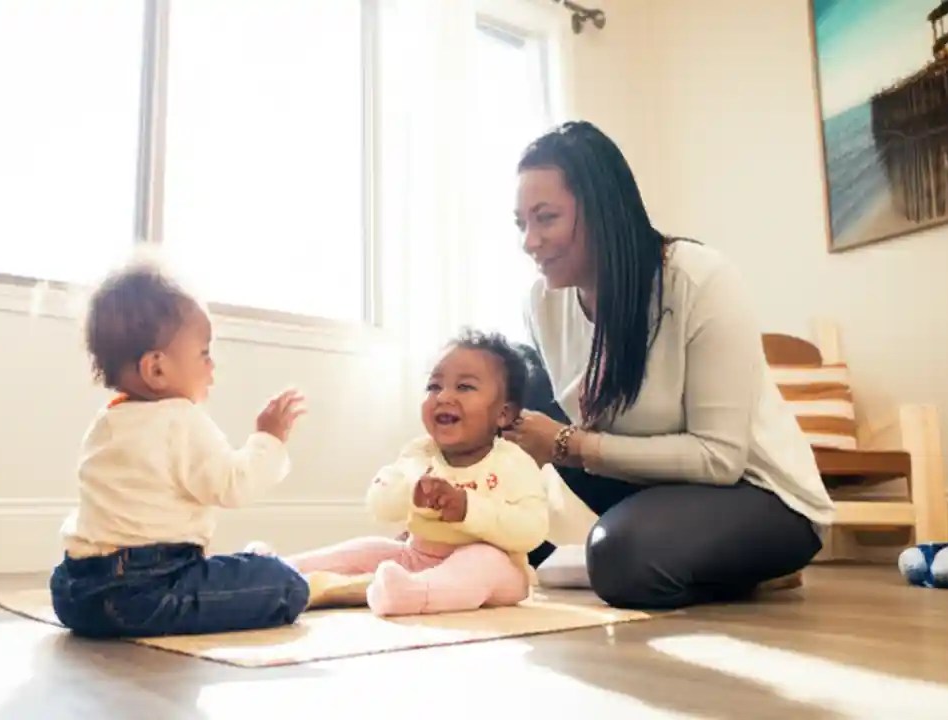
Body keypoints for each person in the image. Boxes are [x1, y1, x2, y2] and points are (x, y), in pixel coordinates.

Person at [502, 121, 836, 610]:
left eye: (546, 218)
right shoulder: (541, 304)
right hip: (653, 488)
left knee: (621, 556)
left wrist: (569, 445)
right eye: (520, 223)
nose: (530, 241)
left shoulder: (699, 280)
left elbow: (720, 459)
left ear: (602, 210)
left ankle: (743, 564)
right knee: (503, 386)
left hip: (757, 496)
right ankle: (652, 555)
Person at [49, 258, 310, 638]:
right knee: (288, 586)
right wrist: (268, 437)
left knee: (236, 573)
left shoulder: (107, 422)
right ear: (156, 369)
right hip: (148, 591)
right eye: (204, 353)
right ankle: (255, 566)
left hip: (75, 593)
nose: (212, 366)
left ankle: (247, 566)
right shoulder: (180, 420)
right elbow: (234, 484)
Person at [253, 329, 549, 617]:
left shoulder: (512, 462)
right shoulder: (419, 453)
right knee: (367, 550)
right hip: (418, 557)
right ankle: (275, 569)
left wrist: (468, 508)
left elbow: (532, 530)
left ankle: (414, 594)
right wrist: (408, 491)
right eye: (434, 386)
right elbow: (380, 505)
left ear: (504, 414)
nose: (443, 396)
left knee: (482, 560)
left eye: (464, 387)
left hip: (500, 571)